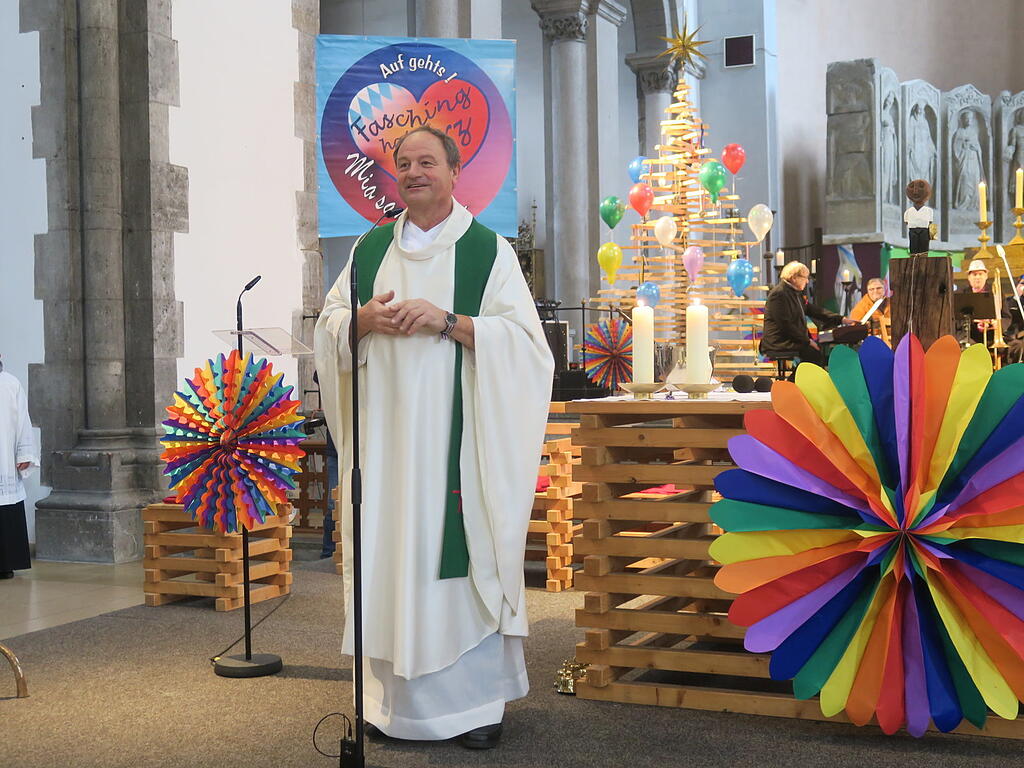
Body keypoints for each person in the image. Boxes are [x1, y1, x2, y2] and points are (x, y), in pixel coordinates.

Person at [313, 125, 553, 749]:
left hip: (458, 453)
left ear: (453, 172)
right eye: (403, 163)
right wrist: (360, 323)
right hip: (388, 451)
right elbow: (328, 325)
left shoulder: (488, 253)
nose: (413, 171)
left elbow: (530, 350)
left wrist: (452, 323)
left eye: (427, 161)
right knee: (390, 558)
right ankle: (391, 707)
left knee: (457, 561)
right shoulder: (367, 252)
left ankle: (473, 710)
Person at [760, 261, 848, 370]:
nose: (807, 281)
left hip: (790, 338)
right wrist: (807, 341)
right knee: (813, 355)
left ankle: (798, 381)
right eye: (805, 277)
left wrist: (841, 319)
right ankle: (794, 383)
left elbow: (814, 311)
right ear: (793, 278)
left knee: (816, 352)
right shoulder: (779, 294)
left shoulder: (795, 293)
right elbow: (785, 325)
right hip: (779, 341)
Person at [0, 357, 38, 579]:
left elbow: (22, 420)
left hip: (4, 456)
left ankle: (5, 564)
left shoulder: (10, 383)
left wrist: (24, 452)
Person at [850, 277, 891, 341]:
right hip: (872, 341)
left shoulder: (892, 303)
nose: (875, 291)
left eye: (879, 288)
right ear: (867, 291)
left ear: (885, 289)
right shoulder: (860, 307)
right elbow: (856, 328)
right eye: (871, 289)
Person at [904, 179, 935, 256]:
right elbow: (906, 222)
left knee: (924, 250)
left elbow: (931, 224)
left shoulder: (929, 210)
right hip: (913, 231)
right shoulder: (908, 211)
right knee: (913, 248)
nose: (915, 191)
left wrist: (933, 238)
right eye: (912, 187)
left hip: (924, 231)